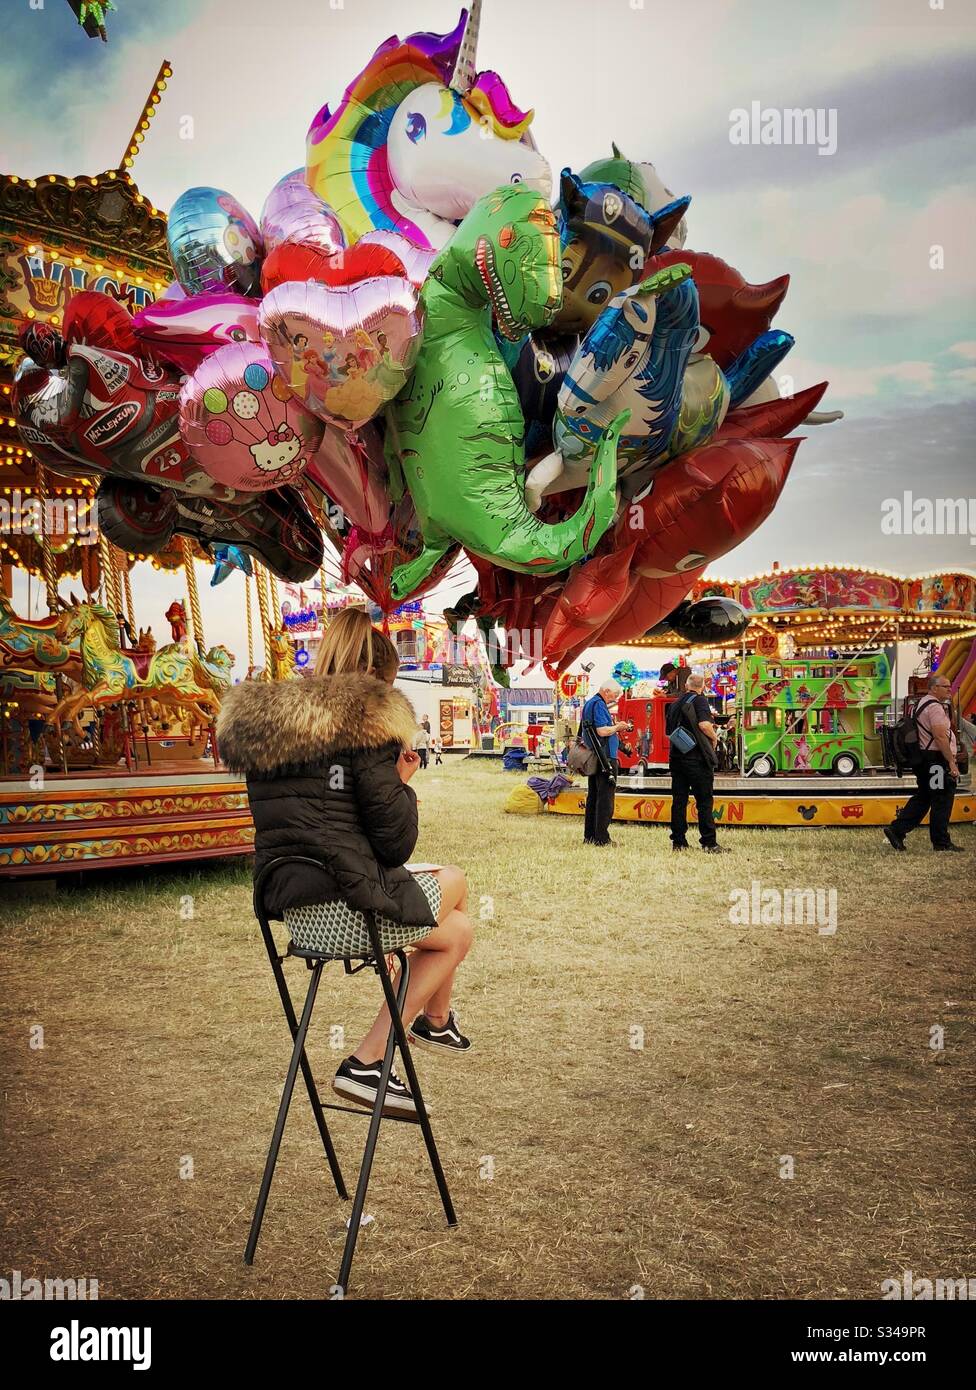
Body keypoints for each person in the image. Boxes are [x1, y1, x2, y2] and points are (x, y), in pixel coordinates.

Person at [216, 608, 474, 1123]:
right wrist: (402, 781)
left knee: (458, 929)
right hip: (347, 910)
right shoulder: (367, 725)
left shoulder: (268, 726)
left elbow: (324, 824)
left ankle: (431, 1024)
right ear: (379, 680)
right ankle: (380, 1051)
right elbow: (394, 843)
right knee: (459, 888)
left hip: (294, 909)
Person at [884, 673, 964, 853]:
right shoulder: (935, 708)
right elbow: (940, 736)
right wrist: (951, 762)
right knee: (941, 798)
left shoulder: (921, 704)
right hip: (935, 760)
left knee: (925, 796)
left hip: (924, 759)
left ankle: (897, 830)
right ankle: (941, 842)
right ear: (934, 688)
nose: (949, 690)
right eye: (946, 687)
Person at [667, 672, 729, 853]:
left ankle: (678, 842)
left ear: (686, 685)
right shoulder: (700, 700)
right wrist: (714, 738)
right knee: (704, 801)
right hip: (696, 758)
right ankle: (709, 842)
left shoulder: (675, 703)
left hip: (677, 757)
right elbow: (704, 725)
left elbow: (669, 729)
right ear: (702, 686)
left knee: (679, 801)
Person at [580, 679, 631, 846]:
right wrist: (618, 727)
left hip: (594, 756)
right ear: (606, 691)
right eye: (614, 695)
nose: (614, 698)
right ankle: (602, 838)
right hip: (605, 758)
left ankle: (590, 836)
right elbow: (602, 731)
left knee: (594, 797)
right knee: (605, 799)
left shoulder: (589, 703)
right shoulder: (599, 704)